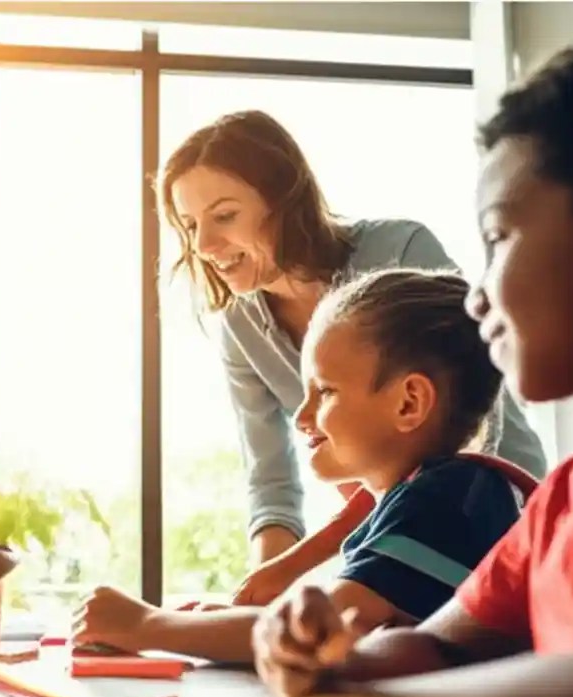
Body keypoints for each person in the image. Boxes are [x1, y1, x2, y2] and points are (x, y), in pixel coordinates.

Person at [252, 21, 573, 697]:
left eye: (498, 237)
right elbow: (435, 646)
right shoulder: (560, 504)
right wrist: (331, 654)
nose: (476, 294)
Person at [159, 110, 547, 606]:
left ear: (282, 199)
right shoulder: (240, 327)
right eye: (189, 225)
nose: (204, 246)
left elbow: (450, 445)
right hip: (389, 524)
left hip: (486, 510)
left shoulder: (398, 248)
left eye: (225, 216)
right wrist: (257, 596)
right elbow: (271, 483)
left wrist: (289, 572)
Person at [73, 269, 533, 662]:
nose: (301, 415)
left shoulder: (446, 500)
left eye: (326, 391)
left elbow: (318, 633)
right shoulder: (442, 493)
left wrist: (148, 624)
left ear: (409, 402)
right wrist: (222, 624)